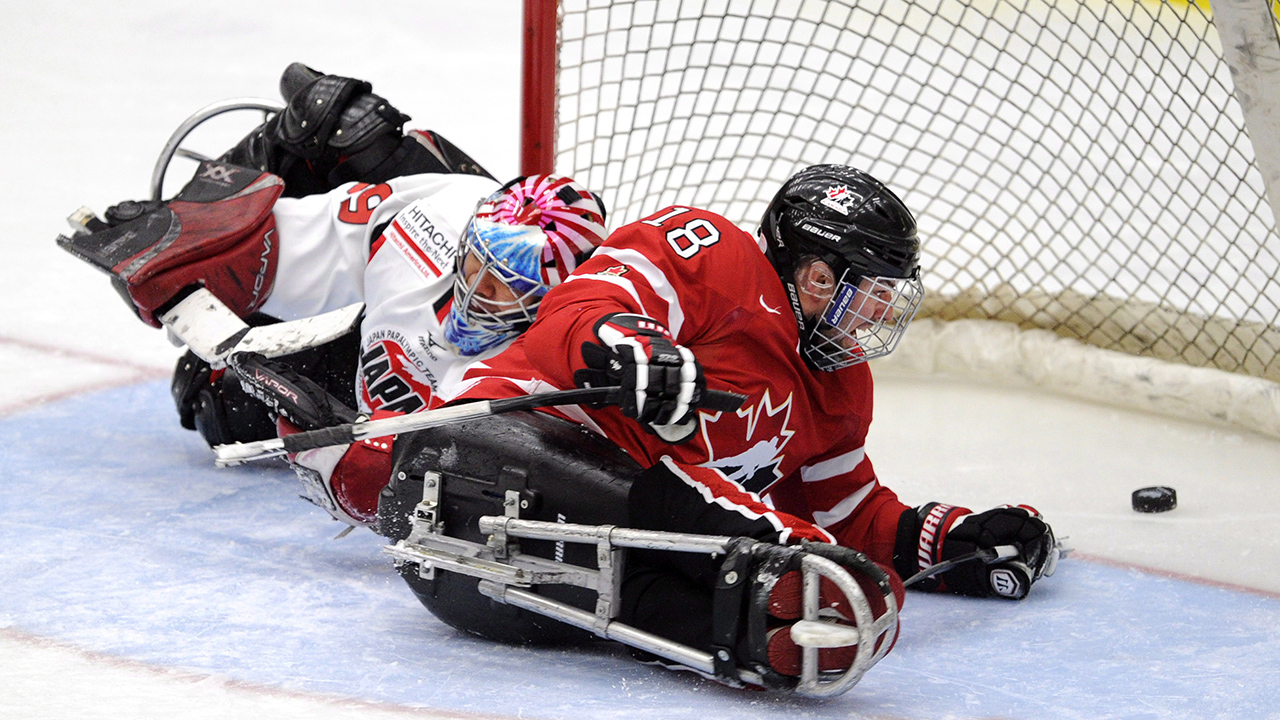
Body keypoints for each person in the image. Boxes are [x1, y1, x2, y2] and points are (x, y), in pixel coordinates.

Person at [417, 163, 1060, 679]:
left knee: (845, 597)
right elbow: (575, 308)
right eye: (868, 295)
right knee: (774, 549)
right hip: (480, 466)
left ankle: (733, 628)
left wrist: (950, 541)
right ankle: (748, 590)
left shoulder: (840, 385)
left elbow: (850, 514)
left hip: (561, 565)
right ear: (815, 277)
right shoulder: (714, 256)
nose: (874, 320)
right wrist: (637, 349)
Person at [62, 64, 608, 529]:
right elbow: (288, 247)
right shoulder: (438, 217)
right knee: (339, 123)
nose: (474, 291)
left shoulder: (561, 369)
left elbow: (442, 513)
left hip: (393, 411)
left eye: (501, 287)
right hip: (375, 340)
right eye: (473, 264)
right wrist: (187, 254)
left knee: (215, 406)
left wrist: (345, 459)